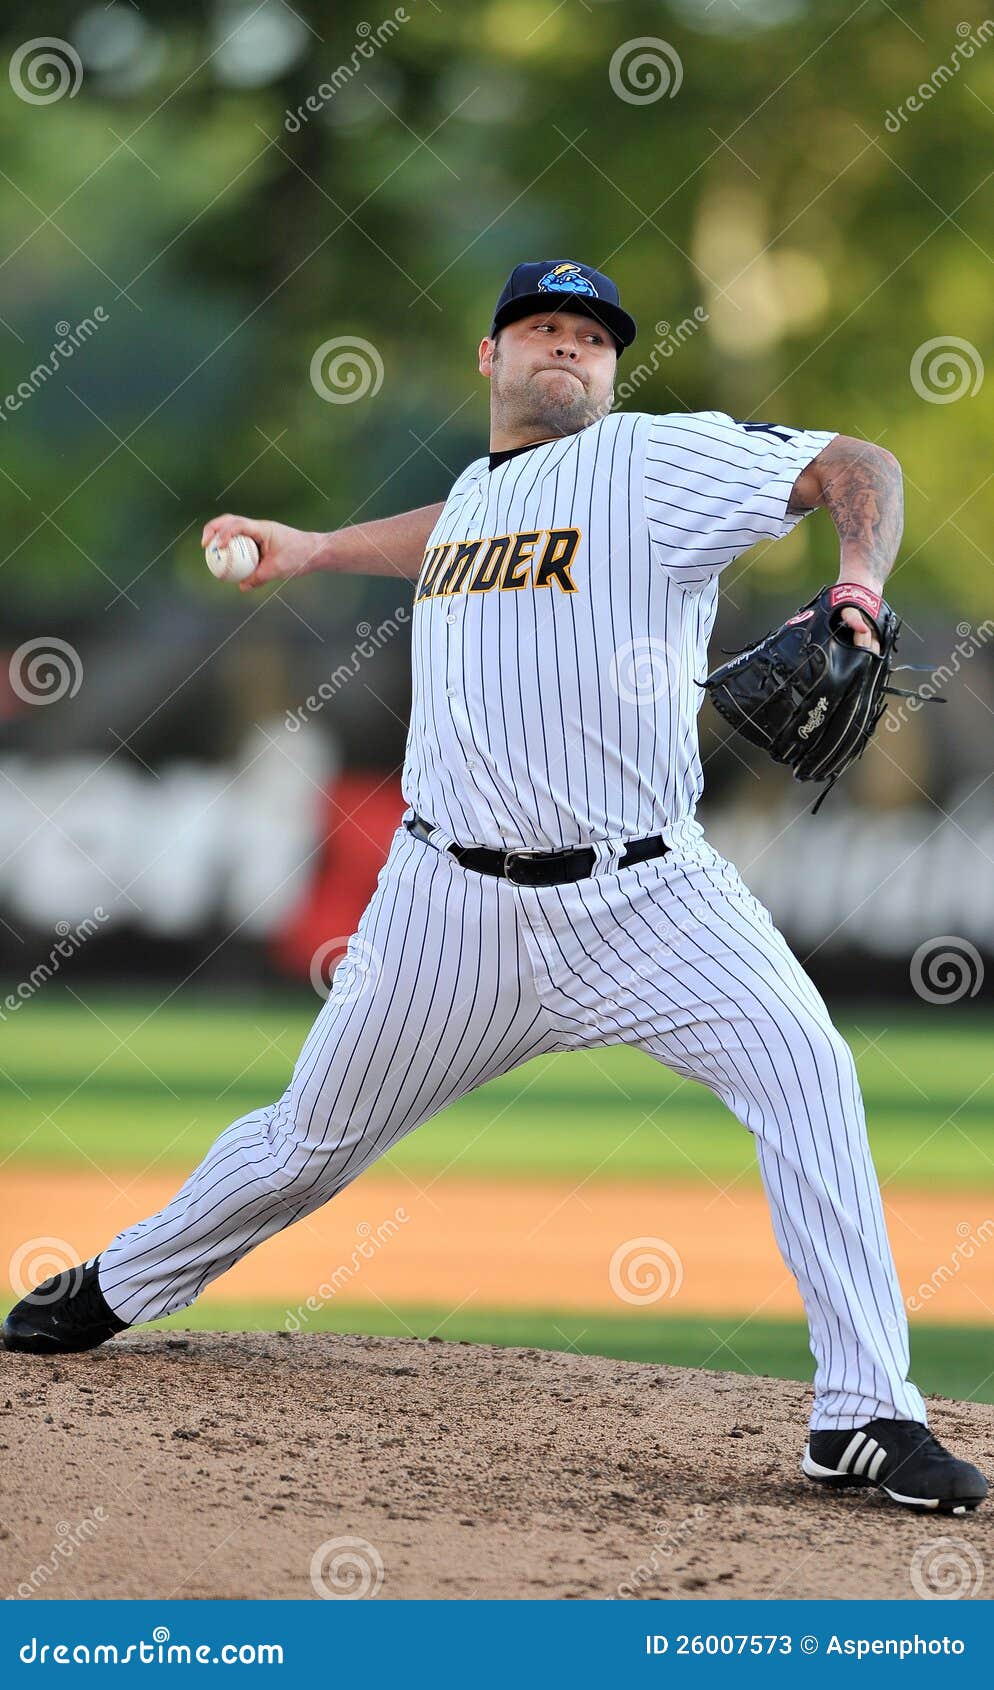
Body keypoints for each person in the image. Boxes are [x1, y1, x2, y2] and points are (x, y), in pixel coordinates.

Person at [6, 259, 986, 1517]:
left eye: (591, 336)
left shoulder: (649, 461)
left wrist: (856, 581)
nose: (566, 347)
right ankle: (119, 1283)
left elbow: (858, 463)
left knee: (808, 1070)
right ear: (491, 357)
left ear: (613, 368)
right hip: (446, 906)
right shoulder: (483, 495)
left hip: (648, 895)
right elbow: (458, 533)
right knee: (304, 1146)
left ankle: (861, 1414)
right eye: (541, 328)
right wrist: (317, 550)